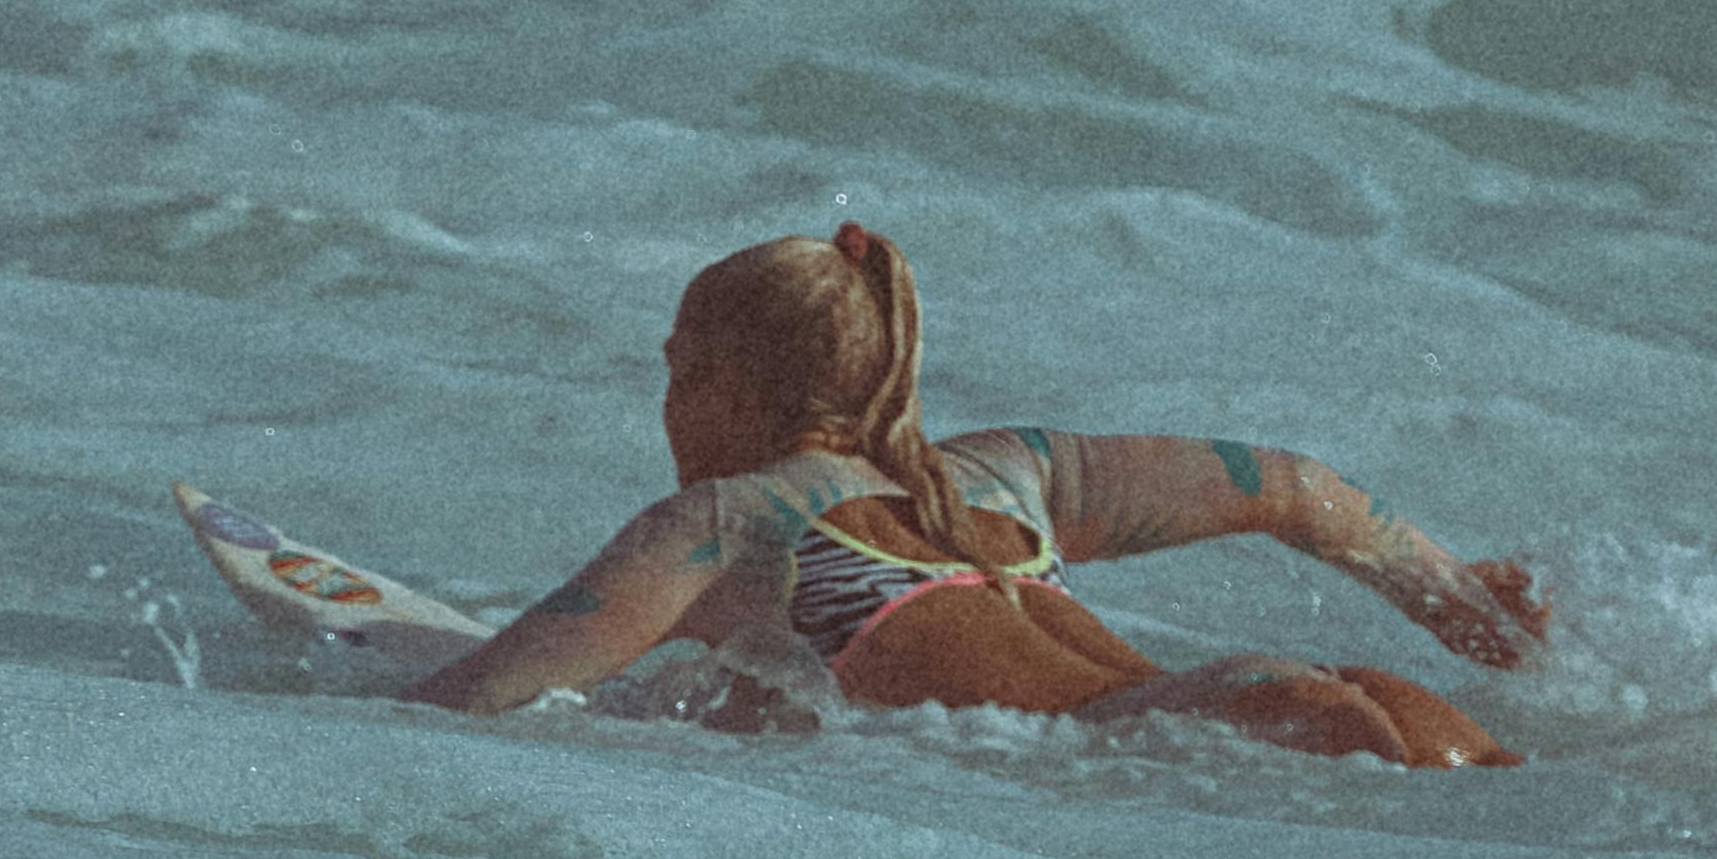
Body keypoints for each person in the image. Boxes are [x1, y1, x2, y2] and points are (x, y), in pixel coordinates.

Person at [396, 222, 1545, 767]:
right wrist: (1453, 599)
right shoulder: (1002, 474)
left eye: (673, 373)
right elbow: (1288, 487)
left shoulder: (722, 524)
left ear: (718, 383)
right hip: (1271, 697)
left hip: (1182, 733)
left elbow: (480, 698)